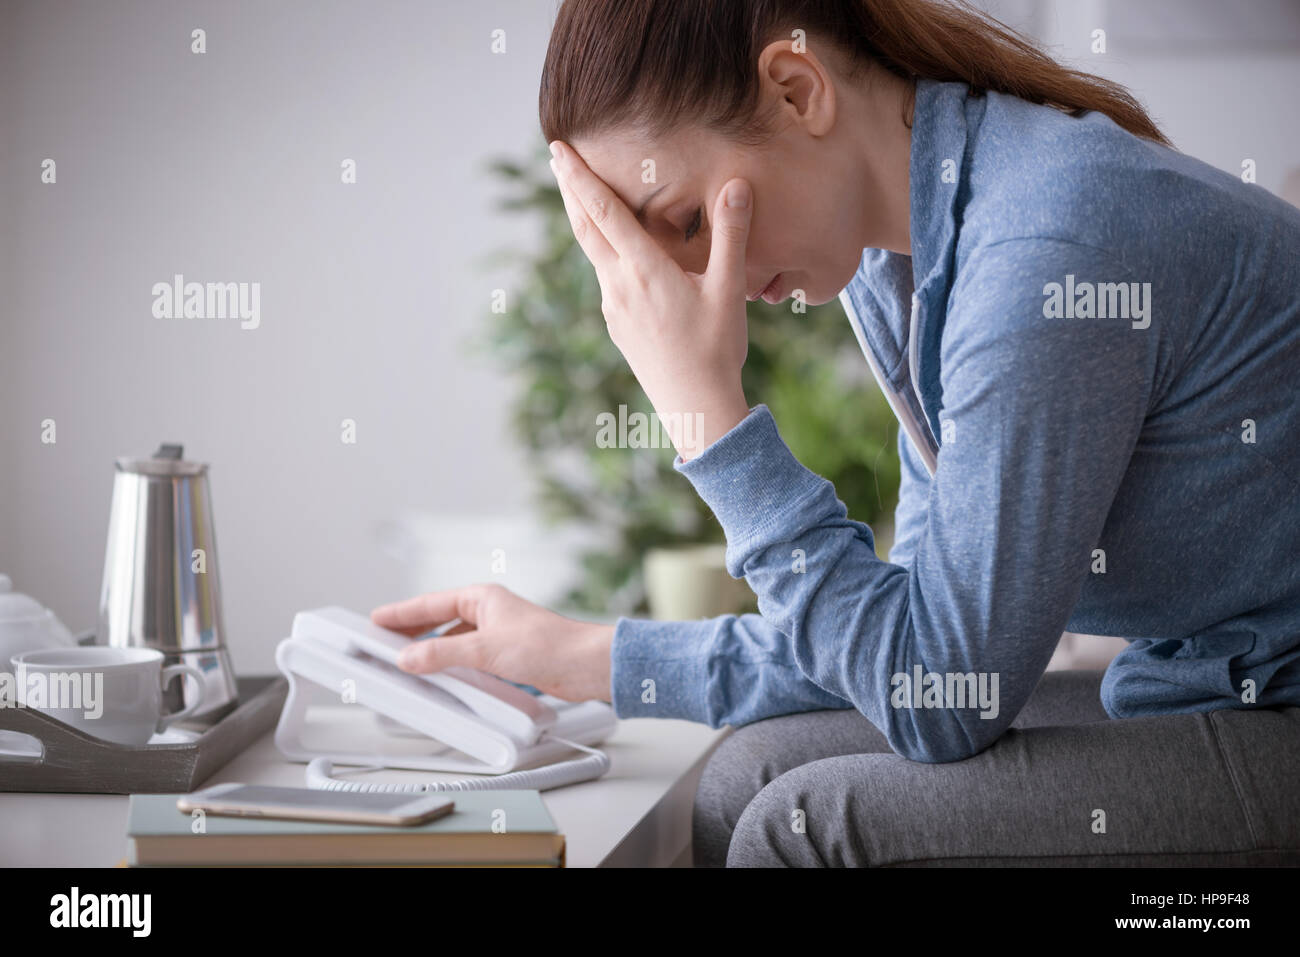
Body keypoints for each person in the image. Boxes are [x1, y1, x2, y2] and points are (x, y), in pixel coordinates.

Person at [373, 0, 1300, 866]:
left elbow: (940, 697)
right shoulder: (910, 265)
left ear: (797, 89)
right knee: (747, 775)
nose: (707, 286)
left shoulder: (1042, 257)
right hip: (1205, 678)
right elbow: (907, 637)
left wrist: (710, 419)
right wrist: (585, 658)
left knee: (802, 829)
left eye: (687, 222)